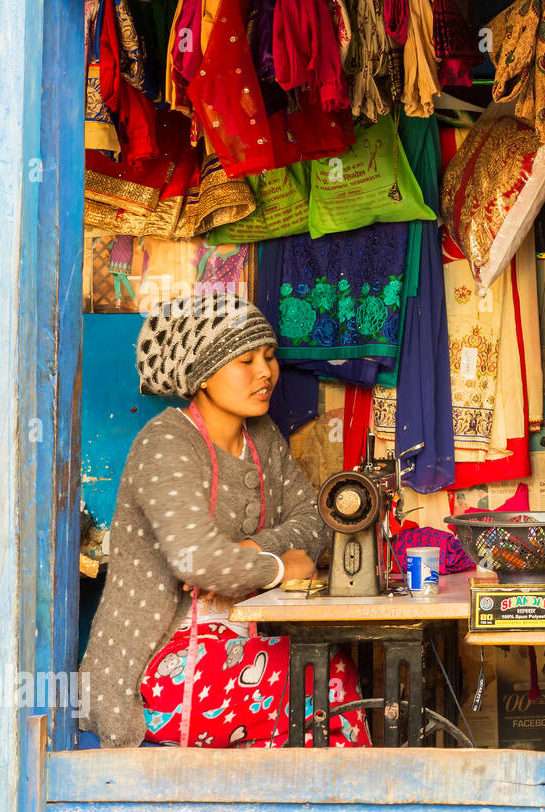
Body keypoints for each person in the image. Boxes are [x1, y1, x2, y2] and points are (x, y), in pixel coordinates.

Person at [79, 294, 370, 748]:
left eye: (269, 357)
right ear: (204, 375)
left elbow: (314, 519)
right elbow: (197, 561)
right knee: (320, 679)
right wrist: (278, 567)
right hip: (155, 669)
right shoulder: (166, 445)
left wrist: (254, 552)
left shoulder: (262, 437)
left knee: (330, 670)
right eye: (245, 360)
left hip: (234, 646)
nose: (265, 372)